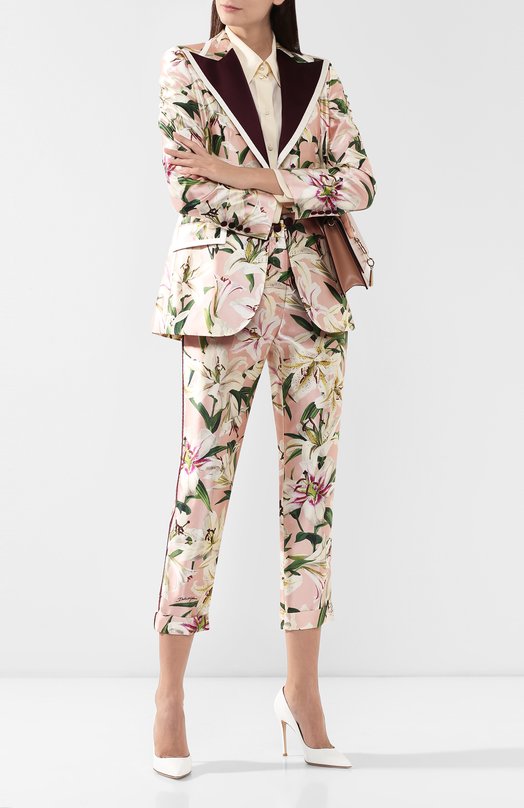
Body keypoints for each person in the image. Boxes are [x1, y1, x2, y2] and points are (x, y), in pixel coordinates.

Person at [151, 0, 376, 779]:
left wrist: (249, 175)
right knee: (201, 490)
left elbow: (361, 181)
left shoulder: (319, 77)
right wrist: (296, 190)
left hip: (313, 306)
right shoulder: (186, 66)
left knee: (310, 501)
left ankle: (302, 695)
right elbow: (185, 182)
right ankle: (169, 697)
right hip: (220, 303)